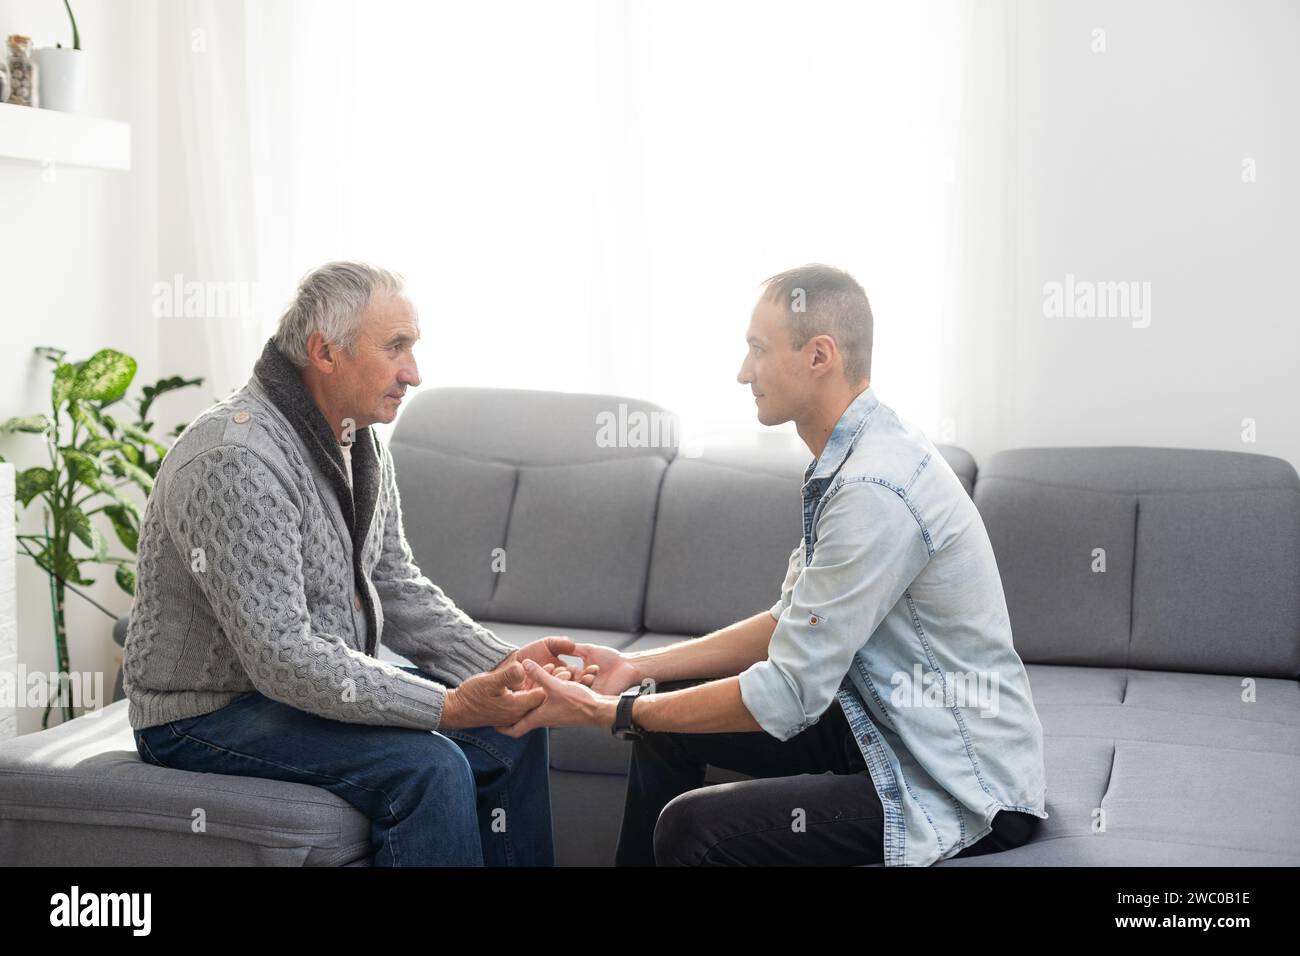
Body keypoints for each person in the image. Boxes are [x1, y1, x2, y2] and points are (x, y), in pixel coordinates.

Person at [497, 263, 1049, 866]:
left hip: (954, 784)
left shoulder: (873, 488)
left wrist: (613, 712)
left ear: (819, 356)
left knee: (692, 828)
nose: (742, 373)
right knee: (665, 715)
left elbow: (788, 692)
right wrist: (633, 668)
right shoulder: (850, 459)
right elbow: (789, 623)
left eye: (758, 350)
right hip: (884, 728)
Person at [123, 261, 594, 866]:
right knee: (430, 766)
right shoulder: (236, 459)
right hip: (204, 714)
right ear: (324, 352)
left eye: (413, 347)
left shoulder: (356, 438)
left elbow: (394, 585)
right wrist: (446, 706)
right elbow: (281, 655)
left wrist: (508, 667)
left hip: (288, 695)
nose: (414, 374)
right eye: (395, 348)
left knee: (517, 734)